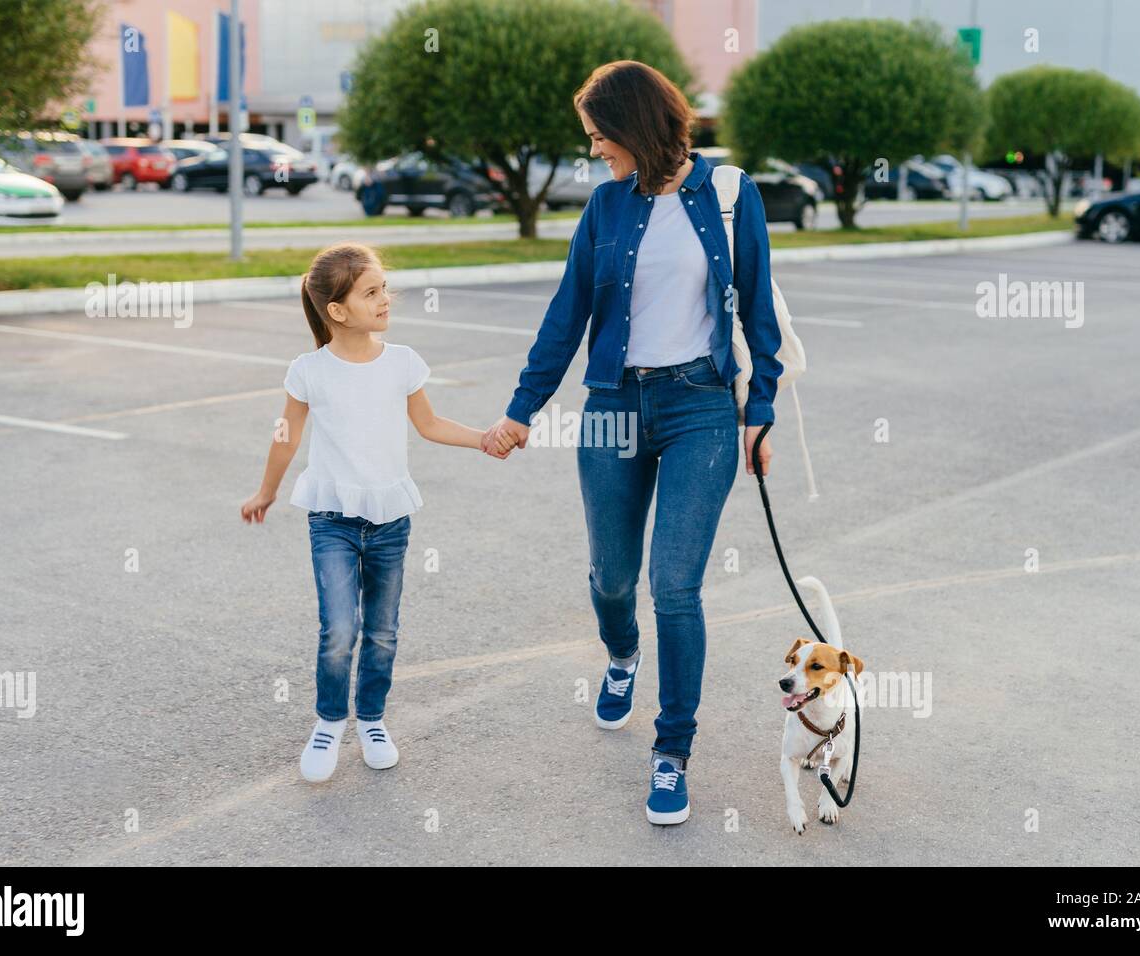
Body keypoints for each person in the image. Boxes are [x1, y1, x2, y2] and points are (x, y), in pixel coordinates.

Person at [482, 61, 784, 824]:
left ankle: (672, 750)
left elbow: (757, 308)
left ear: (637, 126)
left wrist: (762, 411)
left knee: (674, 587)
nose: (594, 153)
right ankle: (622, 655)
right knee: (614, 581)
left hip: (701, 408)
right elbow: (567, 312)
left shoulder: (728, 194)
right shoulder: (608, 206)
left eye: (599, 137)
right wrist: (524, 407)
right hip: (614, 403)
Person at [241, 242, 515, 783]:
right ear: (337, 311)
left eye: (384, 287)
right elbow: (287, 436)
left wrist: (483, 438)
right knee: (340, 629)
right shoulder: (309, 370)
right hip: (332, 518)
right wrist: (266, 491)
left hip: (390, 518)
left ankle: (371, 719)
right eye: (372, 292)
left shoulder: (403, 363)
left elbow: (430, 425)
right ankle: (328, 722)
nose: (385, 298)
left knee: (383, 631)